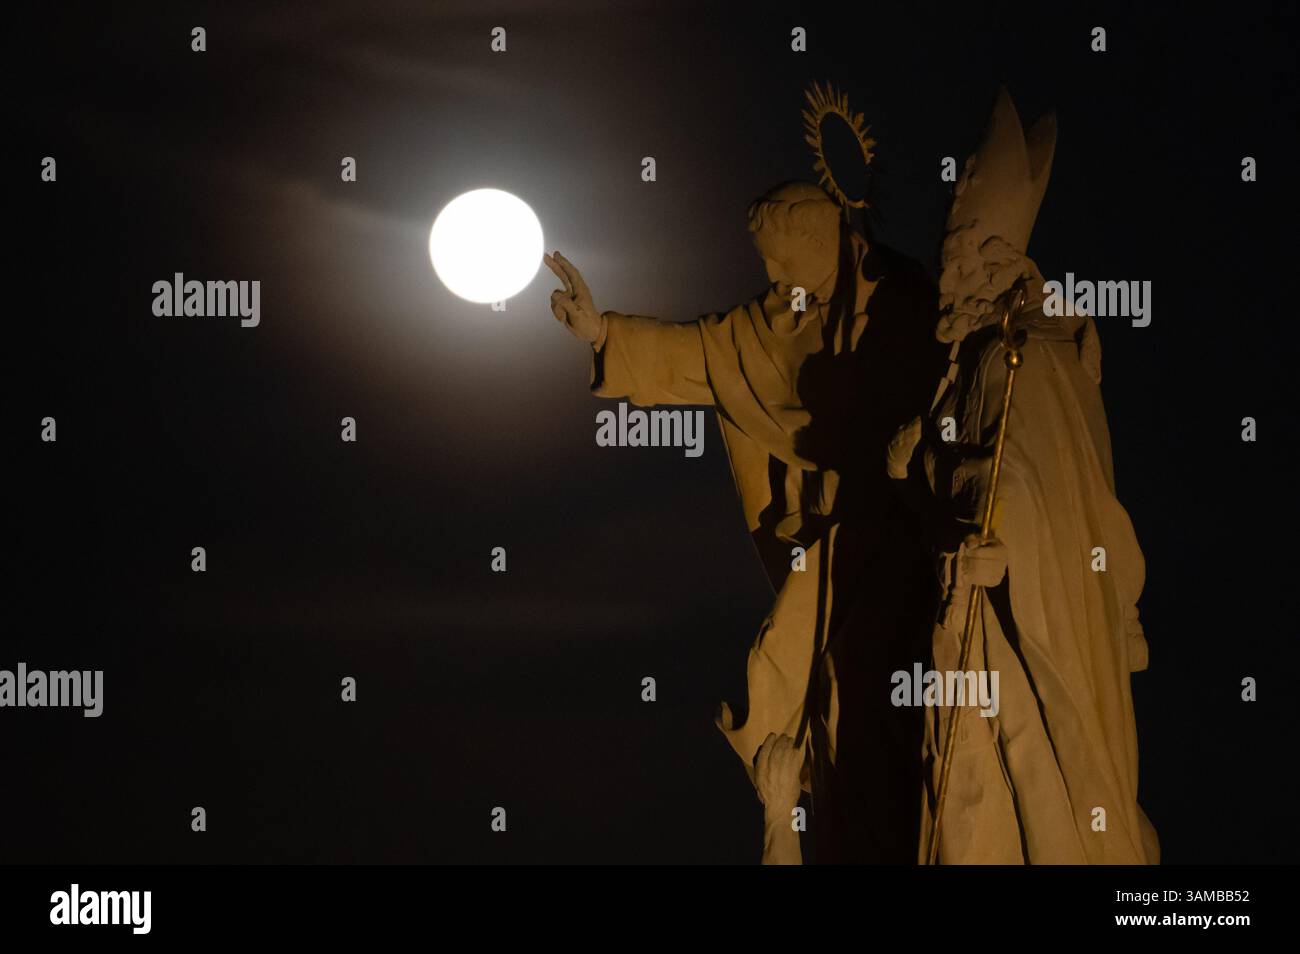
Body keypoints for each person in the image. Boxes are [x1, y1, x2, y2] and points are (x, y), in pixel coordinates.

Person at [546, 181, 948, 861]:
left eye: (781, 259)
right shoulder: (773, 326)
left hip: (906, 531)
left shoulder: (901, 297)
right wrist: (603, 332)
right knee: (808, 681)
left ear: (822, 240)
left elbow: (957, 377)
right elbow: (700, 353)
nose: (772, 275)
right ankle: (828, 817)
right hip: (833, 544)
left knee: (872, 689)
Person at [886, 89, 1159, 863]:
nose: (946, 272)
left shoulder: (1012, 356)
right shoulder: (1033, 355)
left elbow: (1018, 489)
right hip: (994, 603)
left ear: (978, 264)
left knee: (1010, 789)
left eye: (955, 253)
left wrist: (923, 462)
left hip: (1005, 617)